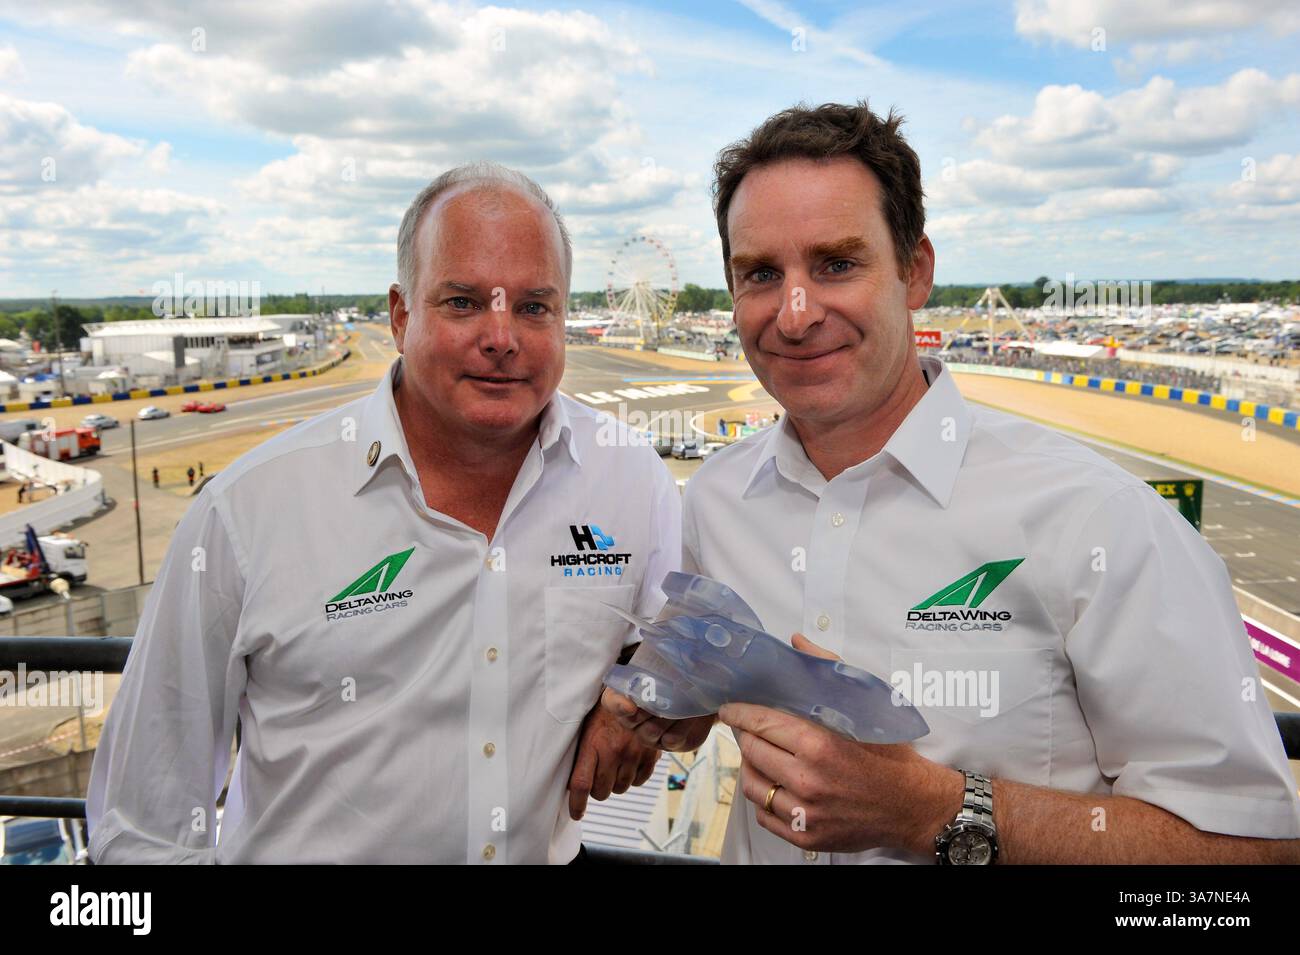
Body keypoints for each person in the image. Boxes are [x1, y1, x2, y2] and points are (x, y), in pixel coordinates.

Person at [606, 101, 1300, 864]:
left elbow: (1247, 854)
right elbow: (702, 666)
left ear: (915, 271)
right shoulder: (715, 499)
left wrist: (937, 811)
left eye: (837, 264)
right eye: (761, 274)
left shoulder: (1097, 518)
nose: (795, 314)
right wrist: (647, 710)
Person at [88, 162, 680, 864]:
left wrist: (638, 702)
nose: (501, 337)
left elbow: (699, 630)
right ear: (402, 315)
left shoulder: (630, 477)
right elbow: (141, 823)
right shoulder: (246, 512)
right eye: (462, 302)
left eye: (534, 306)